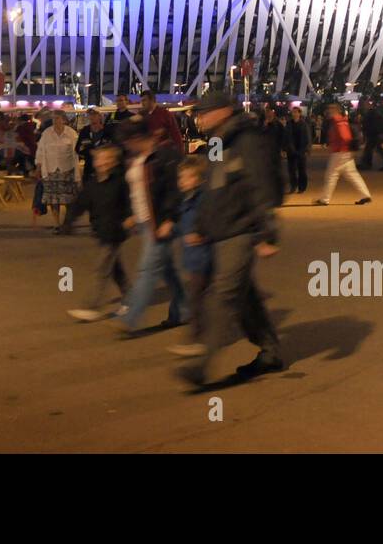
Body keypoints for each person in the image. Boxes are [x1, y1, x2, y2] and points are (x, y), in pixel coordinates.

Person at [174, 91, 282, 386]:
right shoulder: (219, 143)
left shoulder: (248, 141)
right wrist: (200, 224)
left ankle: (202, 364)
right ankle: (271, 350)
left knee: (222, 294)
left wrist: (268, 232)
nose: (200, 118)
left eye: (204, 112)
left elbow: (262, 187)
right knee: (245, 298)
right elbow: (211, 188)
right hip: (221, 229)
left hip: (242, 229)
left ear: (223, 112)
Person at [115, 119, 183, 335]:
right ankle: (184, 308)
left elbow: (174, 190)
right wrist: (133, 215)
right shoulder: (136, 158)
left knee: (148, 269)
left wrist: (170, 219)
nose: (125, 145)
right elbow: (136, 190)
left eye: (127, 141)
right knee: (166, 269)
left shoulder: (164, 156)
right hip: (146, 221)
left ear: (137, 138)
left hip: (160, 222)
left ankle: (129, 317)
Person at [62, 143, 132, 321]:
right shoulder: (92, 184)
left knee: (101, 268)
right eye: (100, 159)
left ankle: (92, 307)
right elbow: (80, 204)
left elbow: (129, 202)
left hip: (115, 231)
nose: (103, 162)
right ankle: (131, 296)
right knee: (116, 268)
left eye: (107, 159)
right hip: (100, 230)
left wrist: (130, 218)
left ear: (114, 162)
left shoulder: (120, 182)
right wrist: (68, 221)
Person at [167, 155, 213, 358]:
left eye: (187, 178)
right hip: (193, 258)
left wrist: (202, 233)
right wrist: (172, 228)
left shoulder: (203, 201)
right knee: (200, 297)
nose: (182, 182)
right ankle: (201, 334)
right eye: (180, 178)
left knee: (196, 298)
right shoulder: (187, 200)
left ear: (200, 179)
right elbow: (184, 225)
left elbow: (211, 224)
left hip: (203, 258)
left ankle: (196, 339)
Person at [314, 103, 373, 205]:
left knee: (331, 175)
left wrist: (340, 146)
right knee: (352, 175)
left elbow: (345, 137)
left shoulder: (337, 122)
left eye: (330, 109)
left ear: (336, 110)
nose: (328, 111)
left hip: (339, 152)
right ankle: (365, 195)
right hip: (345, 153)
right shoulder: (342, 121)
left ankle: (325, 199)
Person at [37, 111, 80, 230]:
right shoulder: (46, 133)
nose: (55, 121)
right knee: (53, 199)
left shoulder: (71, 133)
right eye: (53, 119)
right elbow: (40, 151)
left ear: (64, 120)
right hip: (51, 170)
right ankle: (56, 223)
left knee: (68, 200)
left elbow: (76, 151)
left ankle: (67, 222)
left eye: (57, 118)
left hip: (67, 170)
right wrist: (38, 167)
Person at [284, 106, 310, 194]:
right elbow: (286, 137)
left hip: (301, 150)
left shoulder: (304, 124)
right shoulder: (289, 124)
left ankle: (302, 187)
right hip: (291, 150)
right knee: (291, 170)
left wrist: (307, 149)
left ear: (299, 113)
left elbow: (307, 138)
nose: (294, 114)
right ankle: (293, 186)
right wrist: (286, 148)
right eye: (293, 112)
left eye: (296, 112)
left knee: (302, 170)